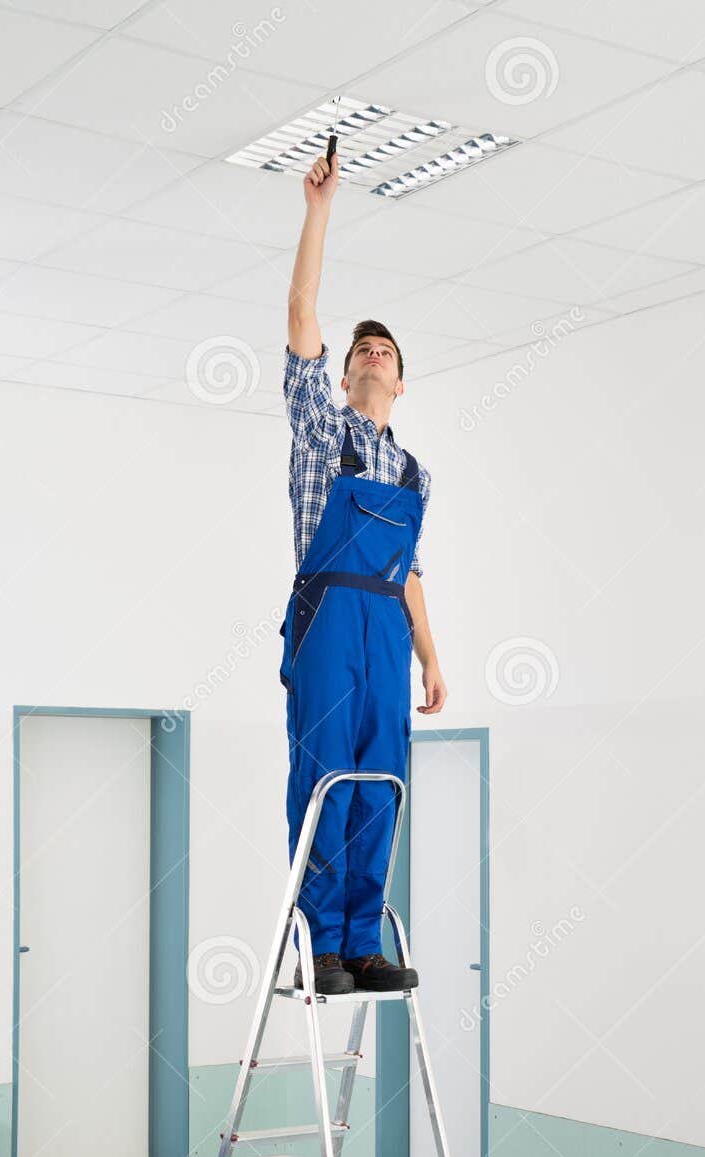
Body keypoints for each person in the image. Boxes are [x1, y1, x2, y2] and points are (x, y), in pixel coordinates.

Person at [280, 146, 446, 996]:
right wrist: (319, 212)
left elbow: (410, 571)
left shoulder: (416, 473)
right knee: (327, 784)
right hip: (328, 623)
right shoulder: (322, 431)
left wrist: (430, 653)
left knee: (380, 787)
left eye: (385, 350)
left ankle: (363, 941)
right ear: (344, 377)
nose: (374, 354)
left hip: (386, 628)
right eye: (362, 350)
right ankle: (321, 947)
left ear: (401, 382)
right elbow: (302, 306)